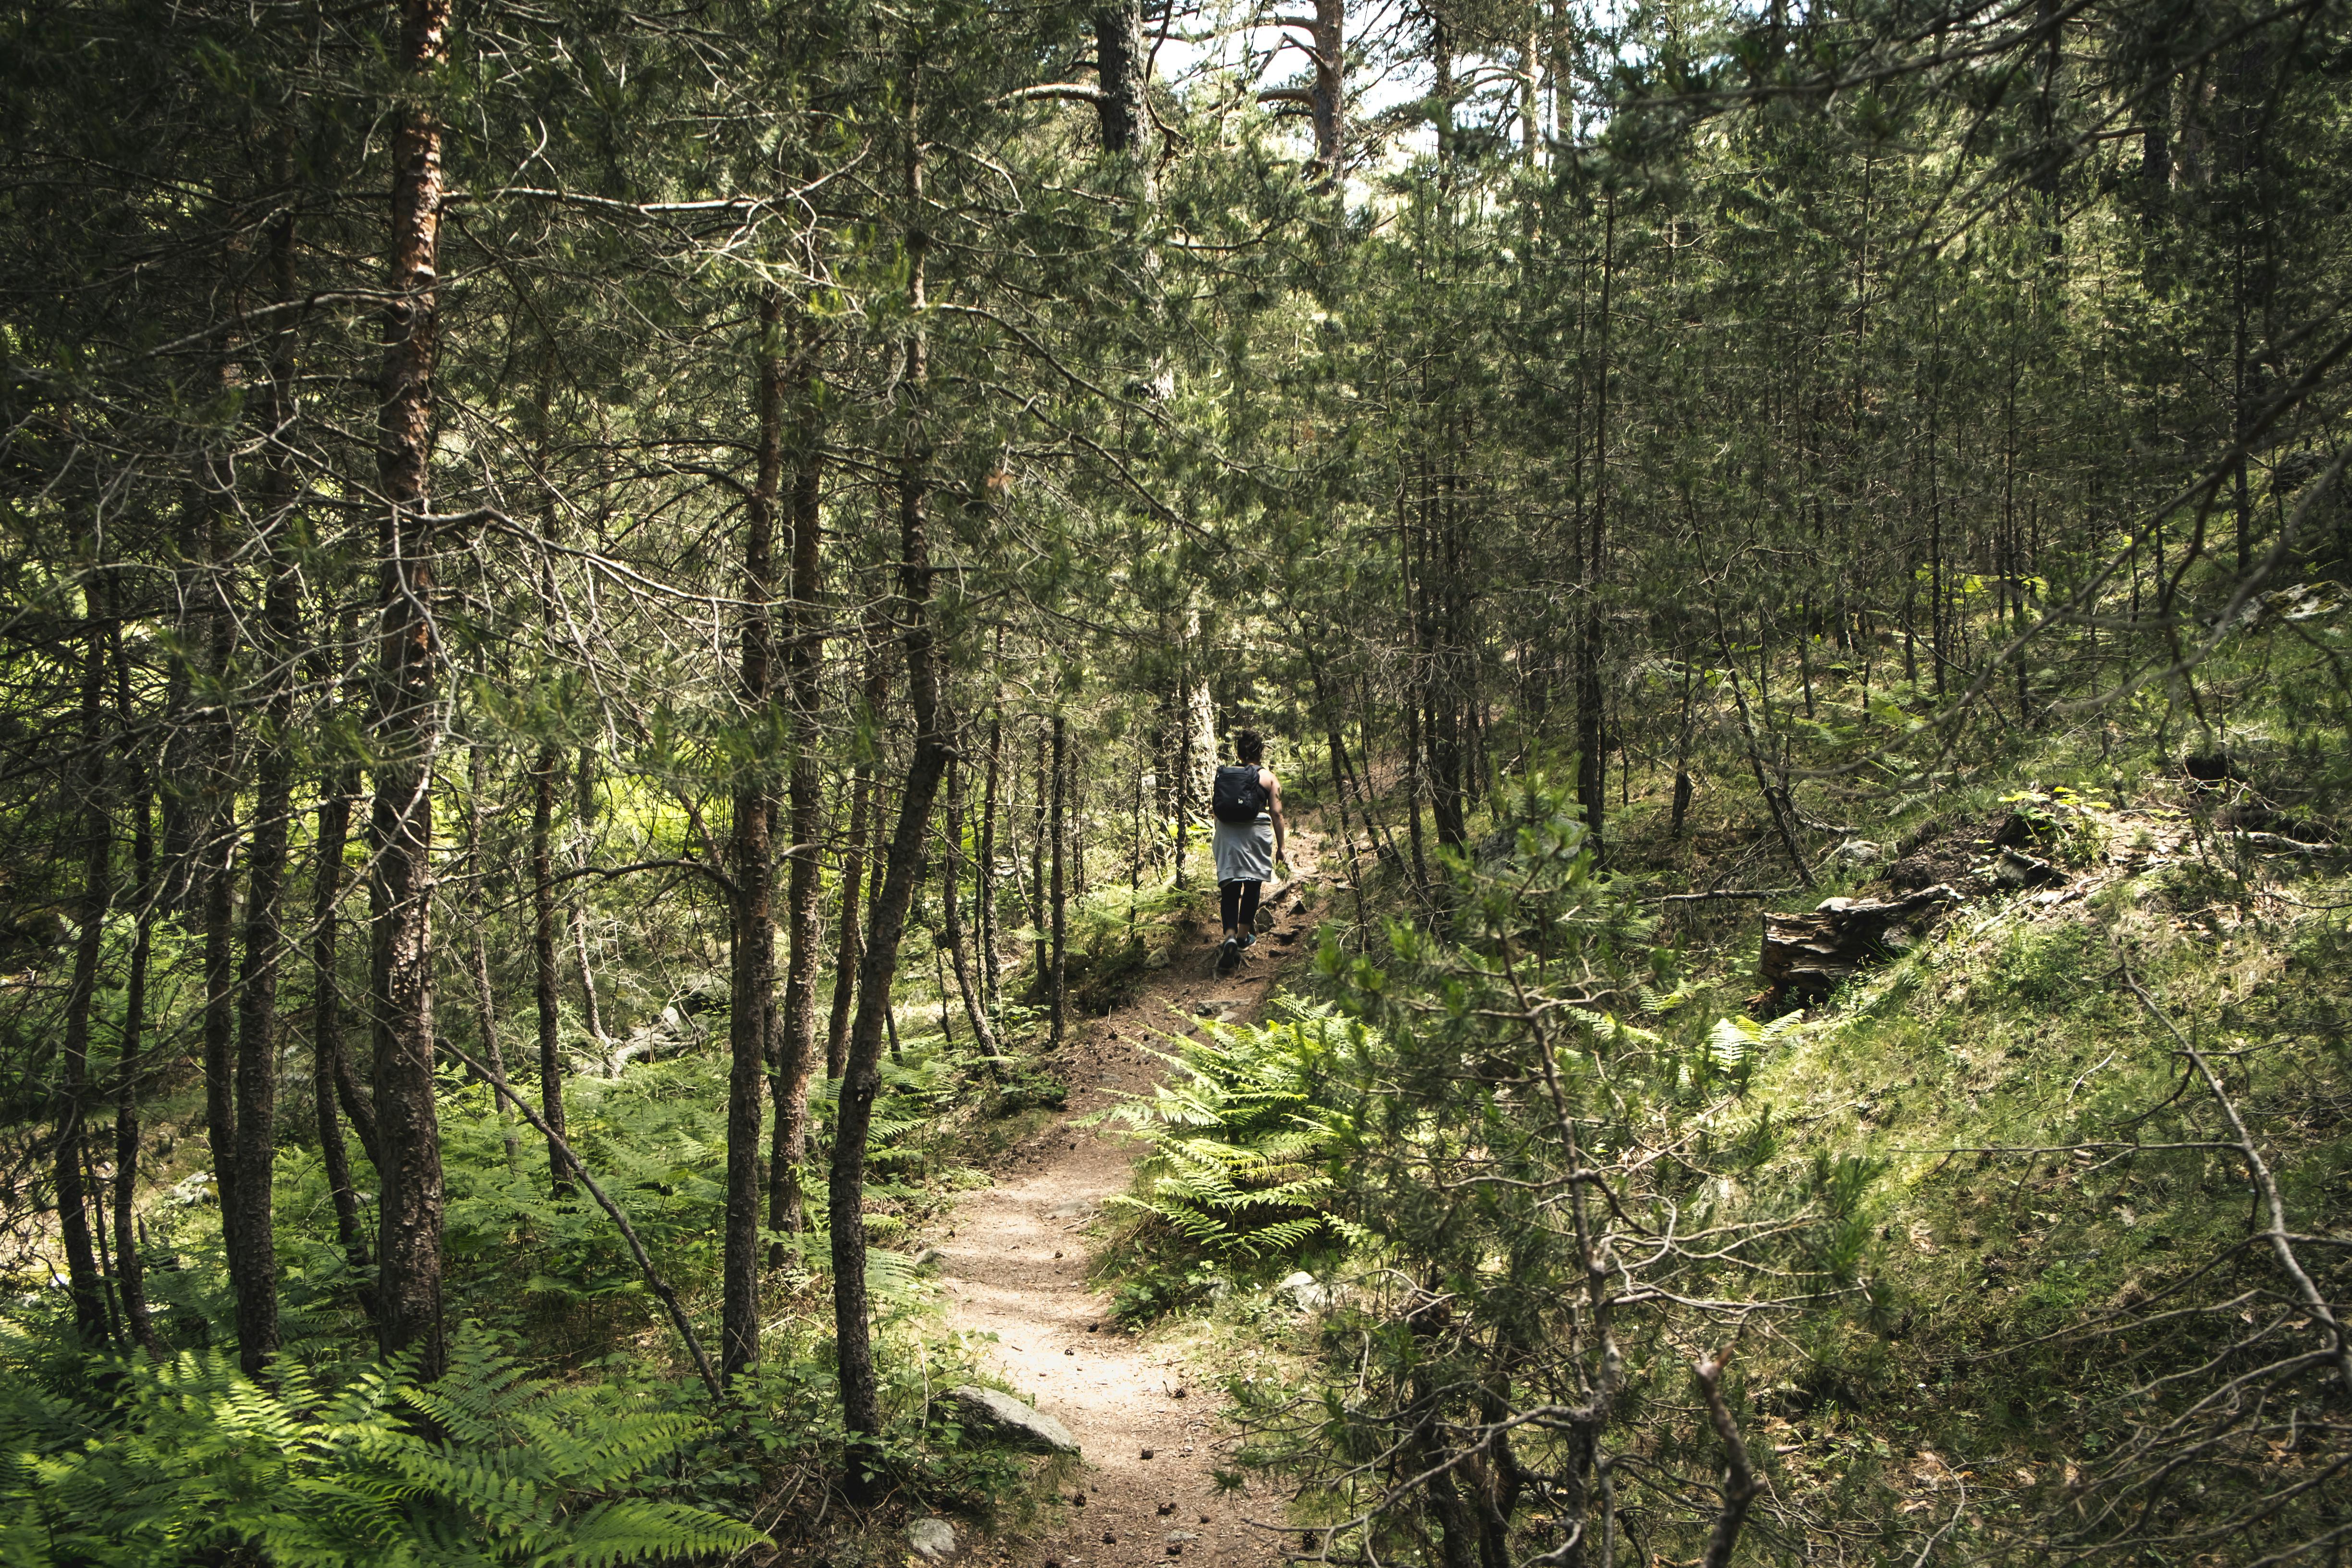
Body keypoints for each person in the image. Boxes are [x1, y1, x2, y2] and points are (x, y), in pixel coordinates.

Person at [1210, 730, 1285, 973]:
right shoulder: (1270, 778)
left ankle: (1229, 935)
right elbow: (1277, 813)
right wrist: (1282, 846)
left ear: (1239, 754)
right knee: (1252, 884)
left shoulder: (1227, 776)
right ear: (1260, 752)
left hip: (1228, 835)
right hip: (1256, 835)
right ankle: (1243, 937)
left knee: (1230, 885)